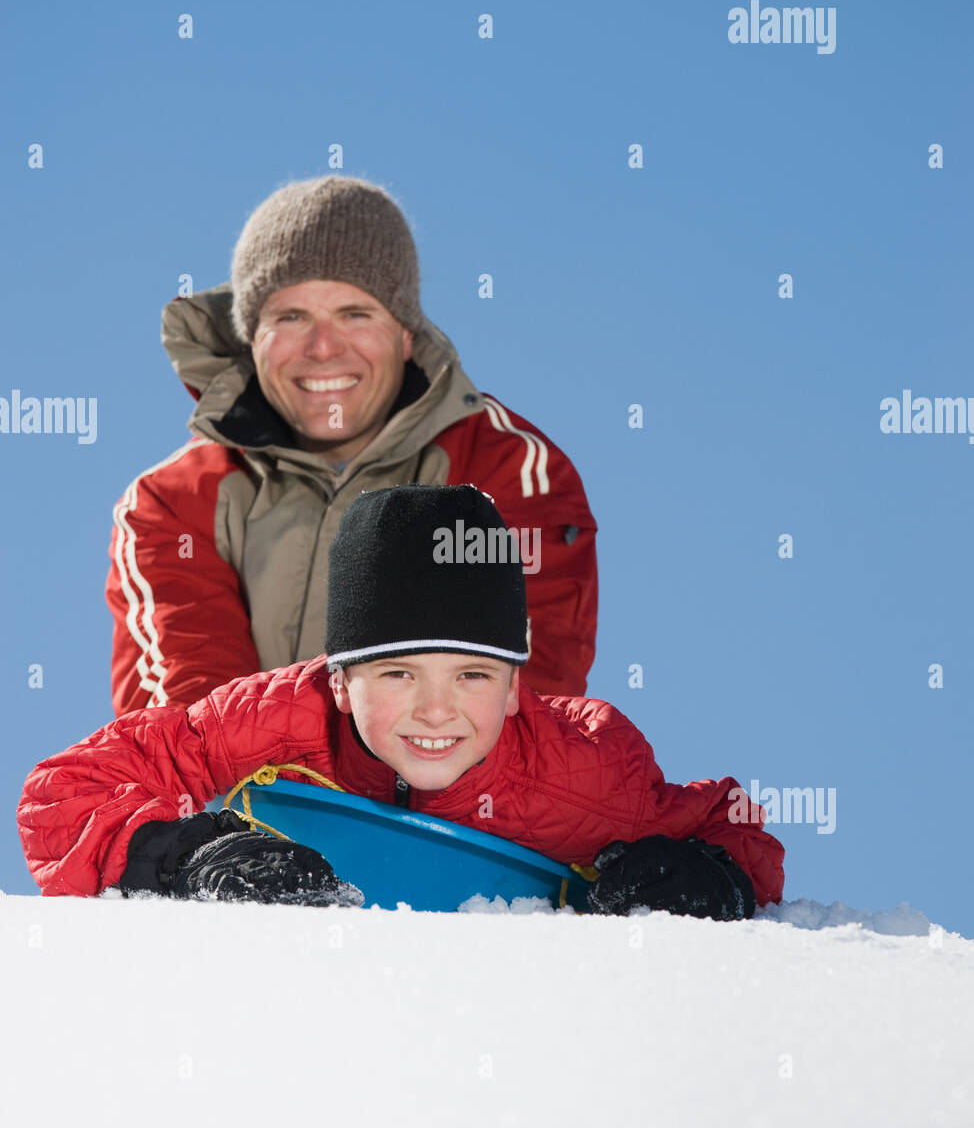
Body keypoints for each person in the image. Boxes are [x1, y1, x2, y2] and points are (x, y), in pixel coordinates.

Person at [22, 486, 784, 918]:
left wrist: (707, 872)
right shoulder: (266, 727)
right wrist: (187, 853)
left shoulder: (585, 767)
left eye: (473, 676)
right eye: (396, 675)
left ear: (518, 687)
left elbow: (731, 822)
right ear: (340, 677)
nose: (435, 709)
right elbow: (60, 793)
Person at [107, 175, 598, 715]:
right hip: (248, 794)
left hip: (446, 795)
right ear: (252, 338)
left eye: (355, 314)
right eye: (290, 317)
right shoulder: (176, 499)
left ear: (406, 335)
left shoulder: (504, 469)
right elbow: (187, 713)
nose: (322, 348)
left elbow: (527, 696)